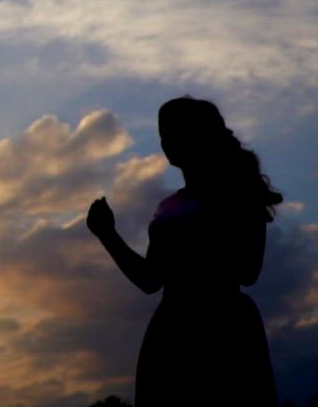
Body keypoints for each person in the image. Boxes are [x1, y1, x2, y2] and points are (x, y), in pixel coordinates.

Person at [86, 96, 281, 406]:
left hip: (224, 329)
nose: (166, 143)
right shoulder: (170, 207)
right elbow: (150, 280)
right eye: (163, 134)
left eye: (174, 132)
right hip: (172, 331)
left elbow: (248, 270)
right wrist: (106, 233)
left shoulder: (239, 195)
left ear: (201, 136)